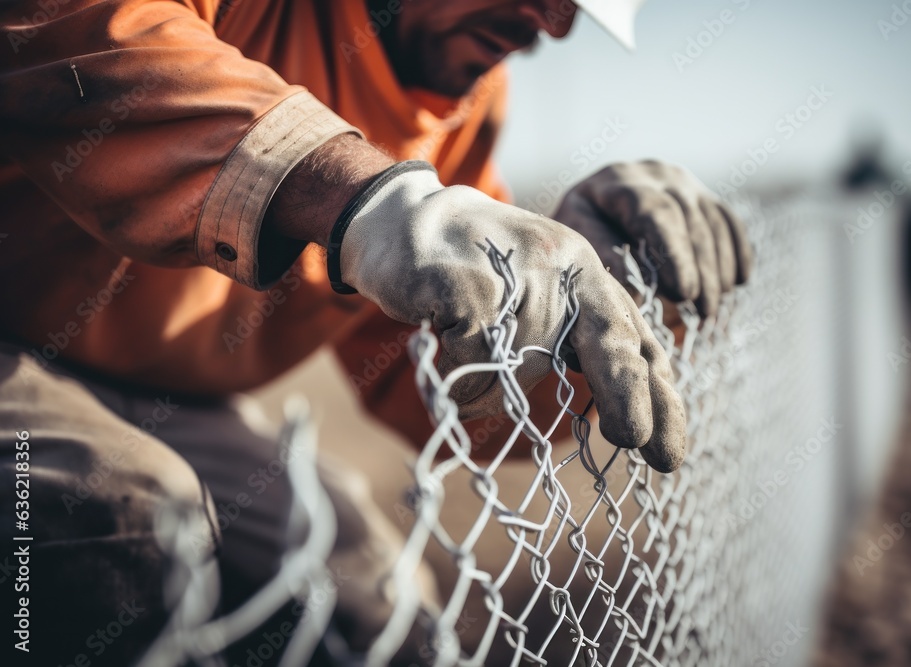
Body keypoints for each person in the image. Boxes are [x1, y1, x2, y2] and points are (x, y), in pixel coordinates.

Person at [0, 0, 751, 663]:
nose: (551, 27)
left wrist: (585, 311)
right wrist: (364, 196)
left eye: (575, 10)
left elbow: (433, 385)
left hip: (164, 394)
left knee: (380, 608)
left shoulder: (464, 94)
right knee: (117, 523)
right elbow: (74, 34)